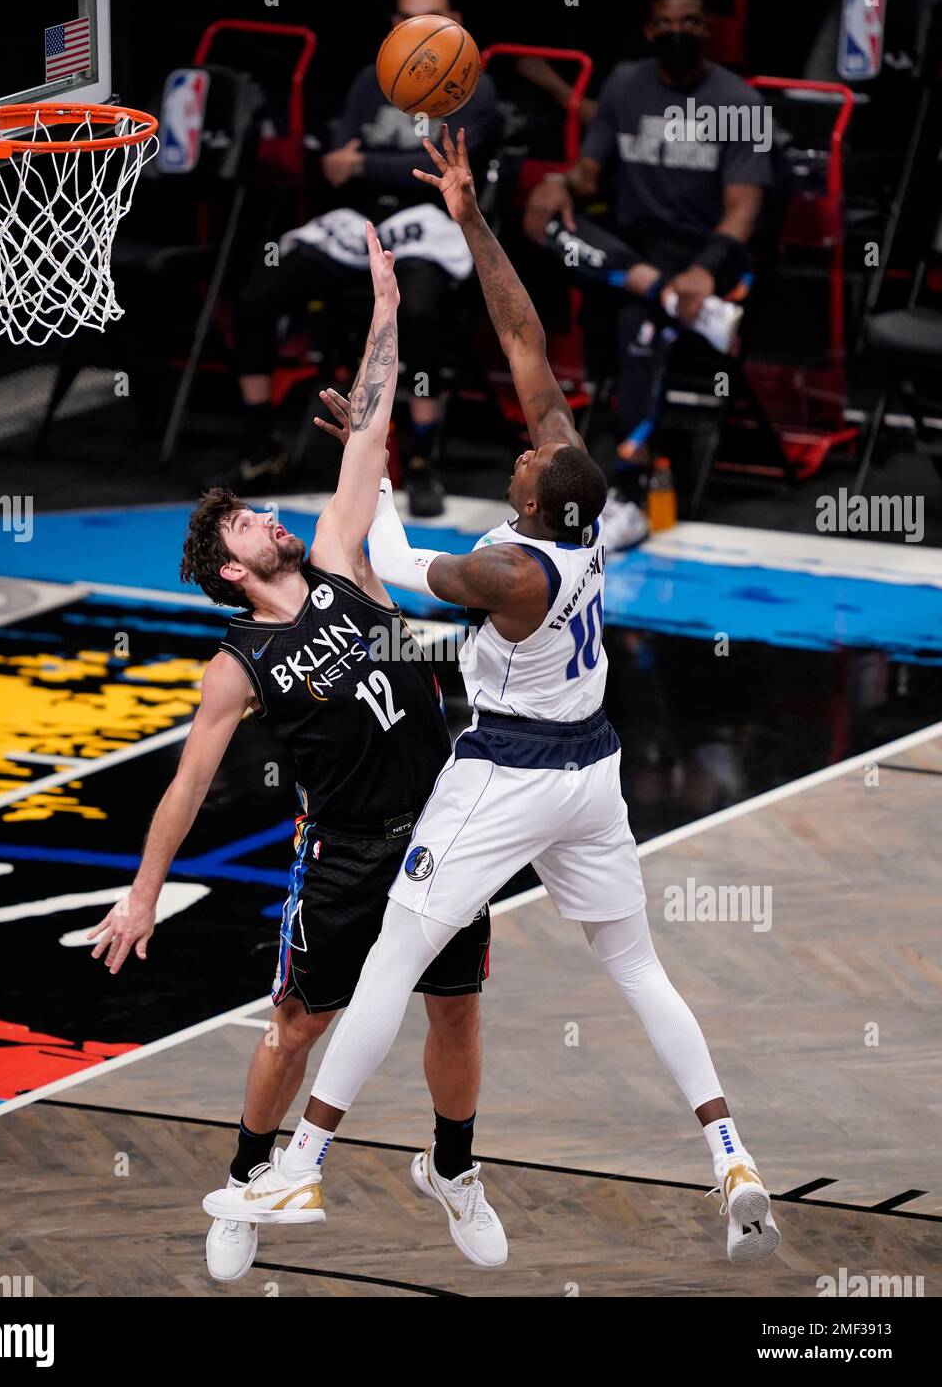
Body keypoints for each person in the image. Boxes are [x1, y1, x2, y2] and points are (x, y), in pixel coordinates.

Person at [205, 127, 781, 1270]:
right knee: (635, 965)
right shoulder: (570, 497)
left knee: (390, 965)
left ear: (539, 504)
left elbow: (388, 554)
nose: (517, 456)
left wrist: (358, 438)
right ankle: (728, 1148)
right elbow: (522, 334)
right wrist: (471, 217)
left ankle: (303, 1171)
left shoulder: (510, 573)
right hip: (595, 772)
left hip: (506, 776)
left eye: (521, 467)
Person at [90, 222, 504, 1278]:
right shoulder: (236, 660)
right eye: (243, 525)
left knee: (456, 1009)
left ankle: (453, 1167)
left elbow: (366, 429)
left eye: (259, 513)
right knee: (292, 1028)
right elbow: (186, 786)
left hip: (445, 828)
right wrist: (141, 893)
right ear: (228, 570)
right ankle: (243, 1182)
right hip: (348, 853)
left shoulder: (336, 560)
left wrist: (386, 306)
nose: (266, 519)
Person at [229, 0, 501, 518]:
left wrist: (366, 163)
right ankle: (261, 446)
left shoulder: (473, 84)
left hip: (432, 225)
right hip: (360, 222)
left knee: (420, 310)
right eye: (402, 16)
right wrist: (369, 167)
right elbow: (335, 164)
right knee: (257, 295)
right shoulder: (368, 79)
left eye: (432, 14)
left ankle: (421, 458)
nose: (413, 27)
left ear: (459, 22)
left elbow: (445, 171)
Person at [523, 0, 773, 551]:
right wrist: (562, 181)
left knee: (639, 324)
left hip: (709, 258)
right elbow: (591, 172)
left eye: (689, 21)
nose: (677, 31)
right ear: (647, 28)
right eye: (665, 22)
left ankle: (629, 498)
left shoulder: (740, 101)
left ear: (707, 28)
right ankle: (658, 292)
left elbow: (745, 209)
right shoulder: (625, 85)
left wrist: (703, 272)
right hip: (636, 253)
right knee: (546, 226)